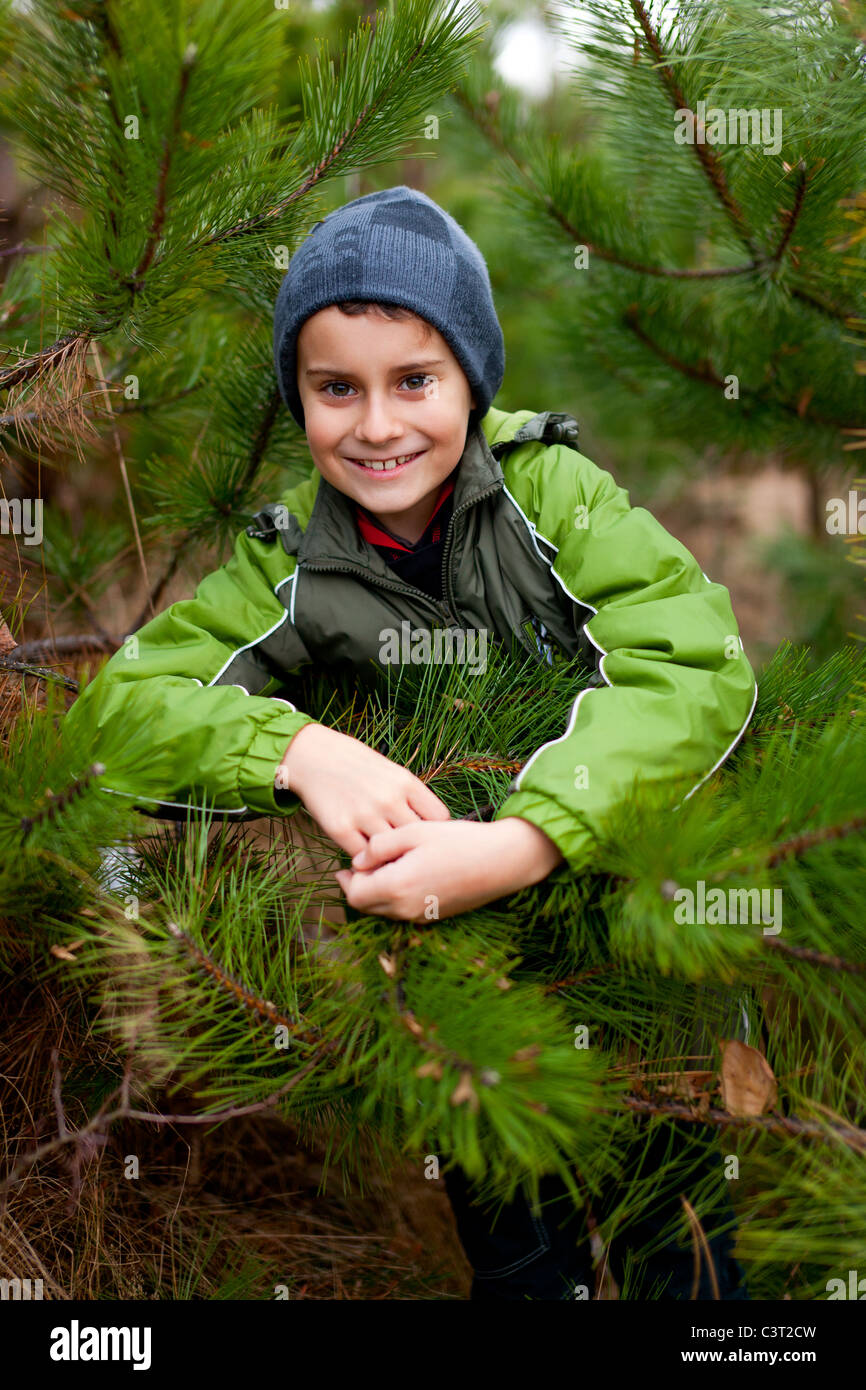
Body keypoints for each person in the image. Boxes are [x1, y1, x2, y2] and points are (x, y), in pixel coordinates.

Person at [65, 184, 758, 1299]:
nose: (377, 425)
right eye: (336, 387)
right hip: (457, 983)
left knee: (673, 1240)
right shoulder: (294, 562)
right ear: (296, 398)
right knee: (519, 1253)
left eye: (414, 382)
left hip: (636, 948)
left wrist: (531, 835)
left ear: (472, 381)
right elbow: (120, 713)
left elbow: (693, 664)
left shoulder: (553, 497)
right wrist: (298, 752)